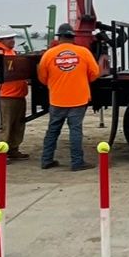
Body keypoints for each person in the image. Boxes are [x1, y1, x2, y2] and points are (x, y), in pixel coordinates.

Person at [37, 23, 100, 170]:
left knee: (52, 130)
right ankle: (77, 162)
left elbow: (42, 76)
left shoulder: (49, 54)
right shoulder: (83, 52)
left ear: (59, 37)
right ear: (73, 37)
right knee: (75, 131)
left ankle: (46, 160)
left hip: (57, 99)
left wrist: (54, 84)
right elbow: (95, 73)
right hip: (78, 99)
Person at [0, 29, 30, 159]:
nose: (12, 40)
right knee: (6, 126)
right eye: (9, 38)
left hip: (18, 95)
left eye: (13, 38)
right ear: (1, 40)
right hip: (6, 96)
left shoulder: (10, 52)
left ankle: (13, 149)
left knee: (18, 125)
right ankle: (2, 154)